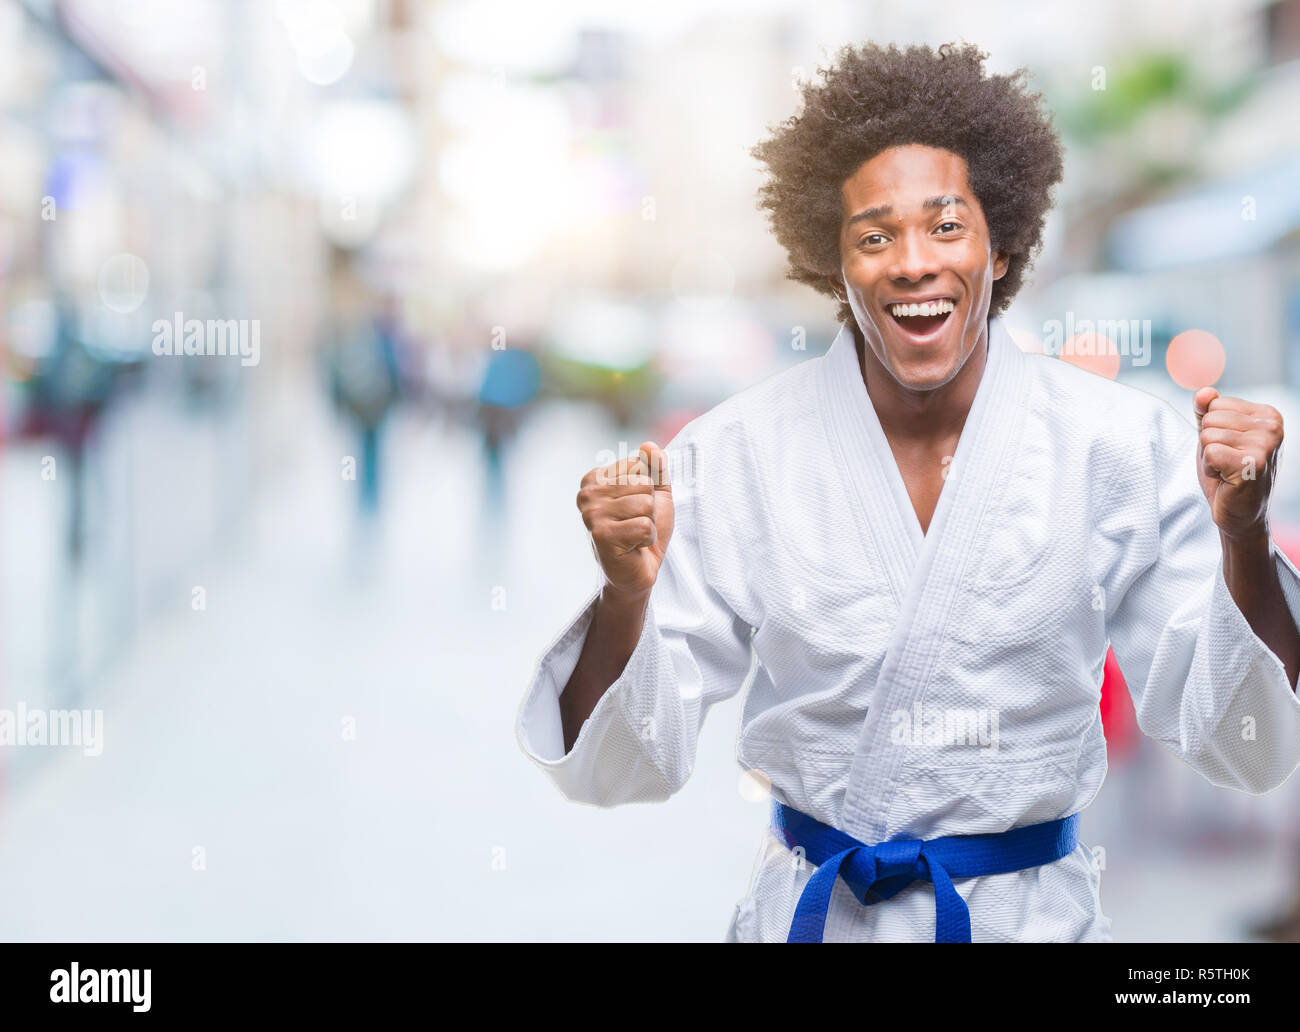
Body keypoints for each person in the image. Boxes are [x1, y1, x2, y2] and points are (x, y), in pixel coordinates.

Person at [513, 41, 1300, 942]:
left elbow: (1248, 743)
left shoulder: (1119, 444)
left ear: (999, 249)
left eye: (946, 225)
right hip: (816, 916)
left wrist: (1242, 538)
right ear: (834, 268)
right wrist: (626, 593)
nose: (912, 261)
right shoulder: (736, 454)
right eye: (874, 235)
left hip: (1026, 921)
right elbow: (619, 769)